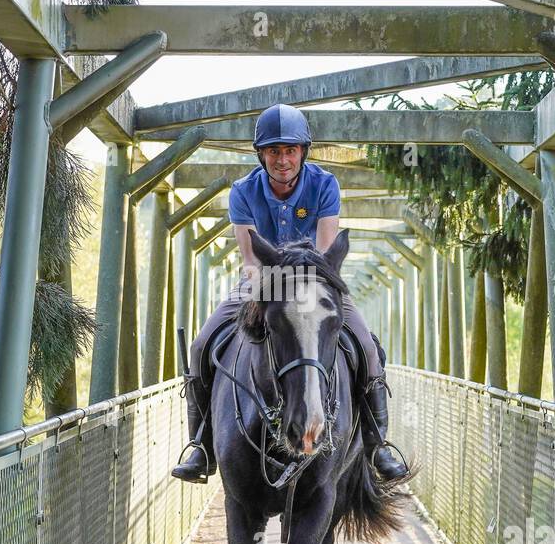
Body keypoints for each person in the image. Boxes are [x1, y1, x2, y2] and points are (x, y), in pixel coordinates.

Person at [171, 103, 409, 484]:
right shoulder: (242, 192)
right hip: (262, 283)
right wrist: (274, 295)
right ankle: (201, 445)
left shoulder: (325, 185)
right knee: (201, 345)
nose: (283, 160)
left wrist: (306, 291)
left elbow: (328, 251)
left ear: (303, 152)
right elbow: (251, 260)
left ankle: (378, 442)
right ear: (262, 155)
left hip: (318, 280)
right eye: (274, 151)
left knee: (365, 344)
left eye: (290, 150)